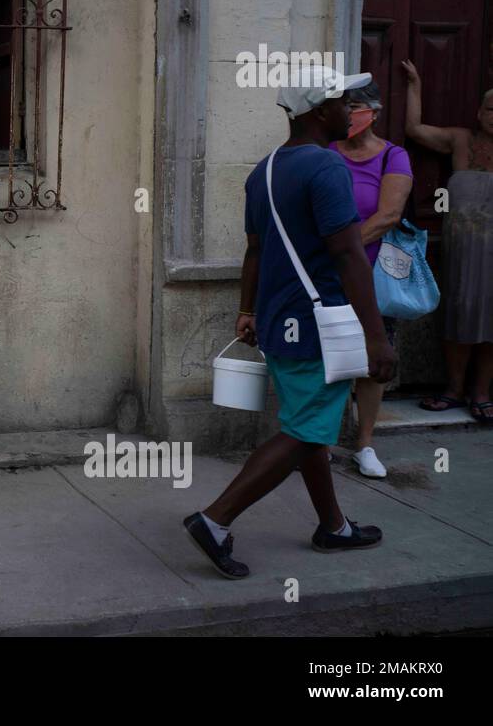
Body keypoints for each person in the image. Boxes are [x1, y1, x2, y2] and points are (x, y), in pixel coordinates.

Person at [184, 66, 398, 579]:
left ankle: (334, 527)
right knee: (305, 432)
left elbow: (254, 250)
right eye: (345, 102)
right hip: (319, 322)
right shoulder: (326, 169)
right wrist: (376, 338)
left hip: (281, 320)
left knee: (309, 426)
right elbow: (348, 254)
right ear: (319, 110)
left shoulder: (264, 171)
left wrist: (248, 310)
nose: (352, 110)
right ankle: (214, 520)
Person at [328, 79, 413, 476]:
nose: (349, 115)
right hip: (328, 276)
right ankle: (322, 441)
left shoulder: (393, 156)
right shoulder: (326, 152)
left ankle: (364, 444)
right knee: (328, 356)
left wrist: (341, 250)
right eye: (345, 108)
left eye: (356, 108)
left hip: (373, 275)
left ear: (373, 113)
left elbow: (388, 216)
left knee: (372, 359)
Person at [402, 59, 493, 422]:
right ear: (479, 111)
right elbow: (413, 129)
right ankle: (454, 389)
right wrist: (415, 84)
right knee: (460, 313)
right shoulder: (460, 139)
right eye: (491, 108)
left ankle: (482, 393)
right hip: (464, 248)